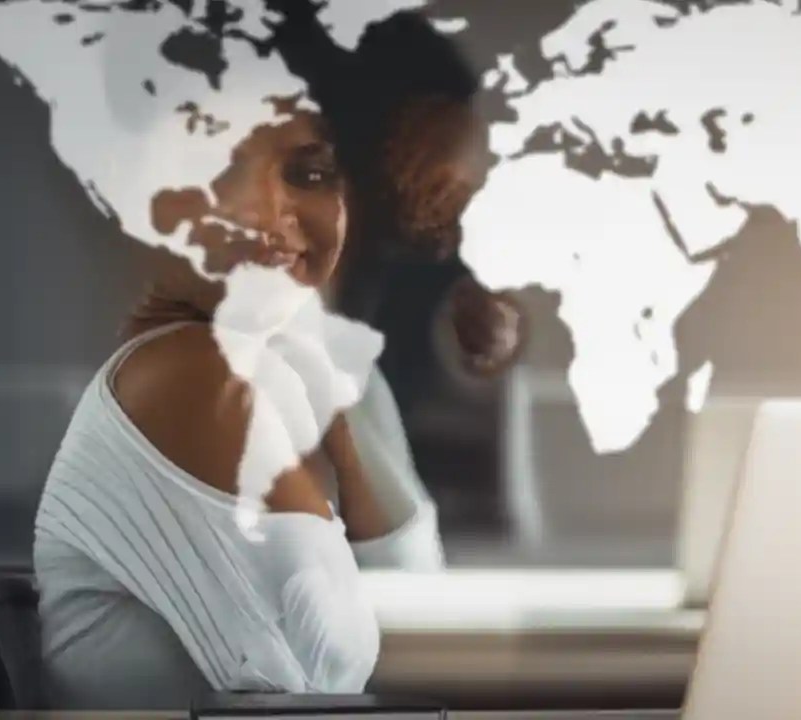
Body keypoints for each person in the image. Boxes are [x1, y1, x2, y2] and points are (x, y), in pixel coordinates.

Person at [32, 10, 520, 709]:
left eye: (313, 172)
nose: (275, 211)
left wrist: (322, 380)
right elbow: (321, 665)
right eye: (222, 164)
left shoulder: (326, 373)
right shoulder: (192, 373)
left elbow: (413, 593)